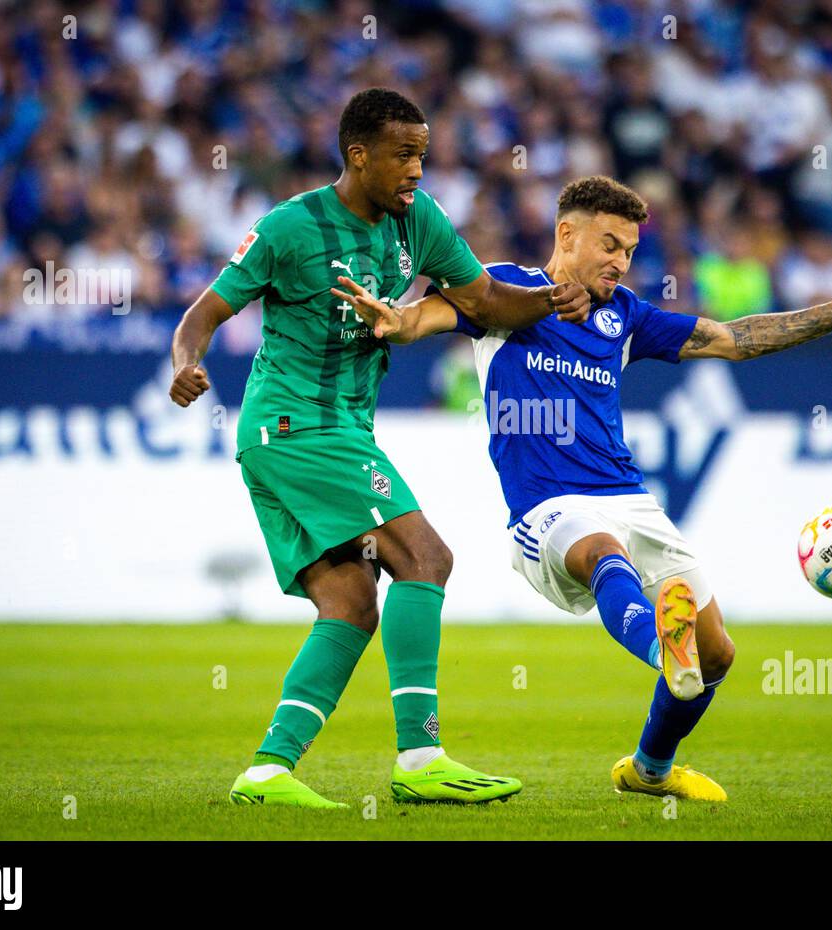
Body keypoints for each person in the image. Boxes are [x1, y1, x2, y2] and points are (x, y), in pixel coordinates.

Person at [331, 175, 832, 801]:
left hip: (631, 499)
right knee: (604, 554)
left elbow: (734, 340)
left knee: (717, 654)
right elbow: (433, 314)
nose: (621, 261)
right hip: (547, 508)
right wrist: (397, 319)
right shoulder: (507, 290)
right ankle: (661, 645)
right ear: (566, 234)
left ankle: (649, 770)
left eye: (631, 251)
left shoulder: (625, 317)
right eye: (609, 244)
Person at [169, 89, 590, 807]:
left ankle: (268, 772)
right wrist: (186, 362)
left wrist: (555, 297)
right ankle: (421, 757)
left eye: (422, 155)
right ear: (357, 155)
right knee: (426, 557)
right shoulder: (288, 228)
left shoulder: (417, 222)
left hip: (337, 432)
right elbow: (204, 313)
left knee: (352, 603)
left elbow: (485, 300)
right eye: (403, 154)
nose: (417, 170)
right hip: (295, 426)